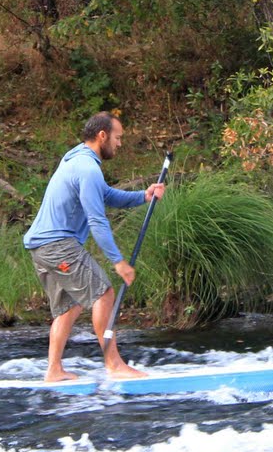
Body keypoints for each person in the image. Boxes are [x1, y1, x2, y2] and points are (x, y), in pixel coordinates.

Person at [22, 112, 166, 382]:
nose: (119, 143)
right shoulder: (87, 168)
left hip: (42, 247)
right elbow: (97, 220)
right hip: (58, 245)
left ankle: (54, 370)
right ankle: (114, 364)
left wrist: (143, 196)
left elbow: (106, 195)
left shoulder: (77, 158)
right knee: (104, 293)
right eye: (117, 137)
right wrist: (118, 261)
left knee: (70, 307)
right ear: (102, 135)